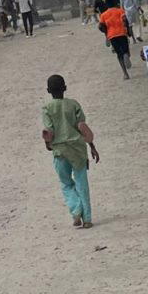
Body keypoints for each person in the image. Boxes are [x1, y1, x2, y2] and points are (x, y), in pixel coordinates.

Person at [41, 75, 99, 228]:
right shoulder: (74, 105)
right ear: (65, 88)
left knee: (66, 183)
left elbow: (49, 131)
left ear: (48, 91)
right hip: (78, 149)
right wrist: (92, 146)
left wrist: (48, 144)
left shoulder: (47, 109)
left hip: (59, 151)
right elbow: (83, 128)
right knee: (82, 183)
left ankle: (76, 209)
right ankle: (87, 219)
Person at [98, 0, 132, 80]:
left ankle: (125, 74)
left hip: (112, 35)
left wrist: (106, 34)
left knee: (119, 54)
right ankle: (126, 54)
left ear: (106, 5)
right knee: (125, 50)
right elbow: (125, 21)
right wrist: (128, 31)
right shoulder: (120, 11)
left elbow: (101, 26)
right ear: (115, 3)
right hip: (122, 33)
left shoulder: (103, 15)